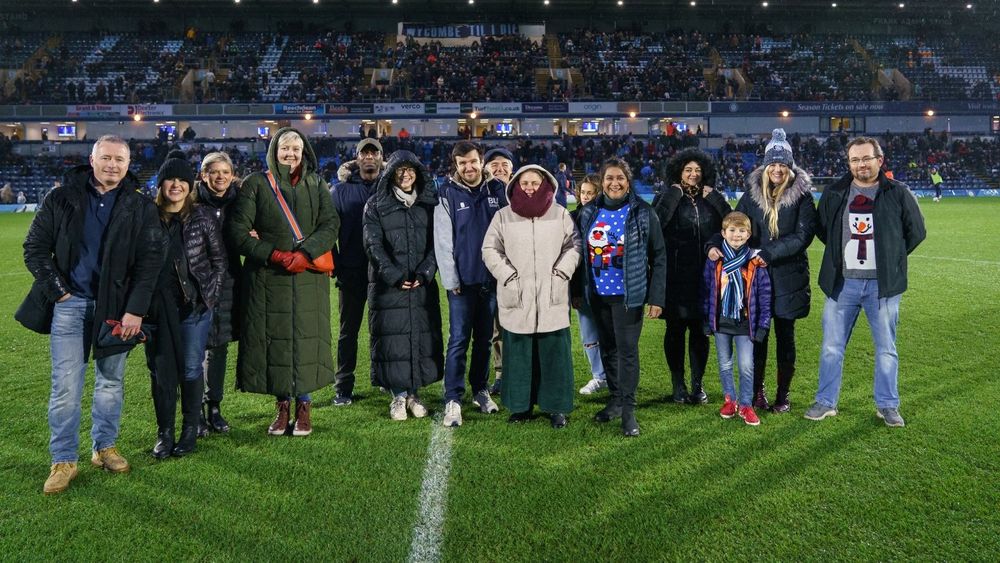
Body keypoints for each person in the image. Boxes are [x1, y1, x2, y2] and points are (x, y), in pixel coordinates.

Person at [21, 135, 165, 494]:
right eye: (106, 158)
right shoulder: (61, 197)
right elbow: (34, 248)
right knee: (66, 386)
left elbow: (150, 263)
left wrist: (135, 310)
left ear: (128, 165)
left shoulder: (140, 205)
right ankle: (63, 460)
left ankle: (104, 448)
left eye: (119, 160)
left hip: (116, 311)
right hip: (70, 306)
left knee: (111, 383)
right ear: (92, 159)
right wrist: (61, 292)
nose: (112, 165)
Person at [804, 136, 926, 427]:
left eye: (866, 158)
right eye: (855, 160)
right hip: (842, 284)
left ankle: (888, 405)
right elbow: (823, 229)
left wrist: (891, 258)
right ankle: (826, 401)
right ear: (849, 163)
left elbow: (916, 232)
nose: (861, 164)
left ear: (879, 160)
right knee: (831, 347)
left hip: (882, 287)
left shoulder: (898, 192)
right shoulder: (835, 192)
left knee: (886, 349)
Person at [226, 127, 340, 436]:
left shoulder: (316, 184)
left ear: (304, 153)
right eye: (285, 149)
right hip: (268, 278)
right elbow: (237, 231)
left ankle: (304, 407)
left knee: (306, 340)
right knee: (275, 341)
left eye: (296, 149)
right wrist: (274, 255)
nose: (290, 154)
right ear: (274, 152)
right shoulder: (256, 184)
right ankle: (282, 406)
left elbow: (330, 225)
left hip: (307, 277)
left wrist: (305, 254)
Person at [707, 129, 816, 413]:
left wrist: (769, 253)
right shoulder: (752, 196)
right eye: (773, 164)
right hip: (756, 279)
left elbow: (803, 236)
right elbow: (736, 224)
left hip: (789, 279)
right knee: (758, 337)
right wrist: (714, 243)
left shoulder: (803, 197)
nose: (778, 169)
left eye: (783, 164)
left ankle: (783, 395)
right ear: (766, 166)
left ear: (790, 167)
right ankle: (757, 392)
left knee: (786, 338)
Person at [483, 165, 581, 428]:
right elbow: (490, 249)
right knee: (518, 355)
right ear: (516, 185)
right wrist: (507, 275)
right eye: (524, 183)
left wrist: (562, 272)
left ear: (545, 183)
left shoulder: (560, 214)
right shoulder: (503, 216)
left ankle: (556, 407)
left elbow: (574, 246)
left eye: (535, 183)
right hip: (517, 295)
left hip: (552, 294)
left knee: (554, 355)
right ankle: (520, 407)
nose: (529, 187)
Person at [575, 158, 666, 437]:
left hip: (629, 296)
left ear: (628, 181)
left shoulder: (643, 212)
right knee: (608, 349)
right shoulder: (588, 212)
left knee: (627, 352)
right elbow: (578, 256)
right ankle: (615, 400)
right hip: (598, 296)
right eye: (609, 178)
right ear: (602, 182)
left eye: (620, 178)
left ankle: (628, 410)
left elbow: (659, 255)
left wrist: (656, 298)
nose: (615, 183)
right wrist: (577, 292)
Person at [145, 156, 225, 458]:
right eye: (171, 179)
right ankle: (164, 433)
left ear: (190, 185)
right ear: (161, 184)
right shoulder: (147, 216)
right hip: (156, 311)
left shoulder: (202, 216)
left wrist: (208, 298)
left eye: (182, 180)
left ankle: (190, 429)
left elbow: (219, 262)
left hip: (194, 308)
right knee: (161, 372)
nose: (176, 185)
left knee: (191, 367)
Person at [362, 150, 443, 420]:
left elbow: (438, 242)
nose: (406, 175)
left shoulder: (429, 203)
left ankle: (413, 394)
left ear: (417, 173)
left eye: (410, 170)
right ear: (391, 174)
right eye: (400, 170)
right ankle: (397, 395)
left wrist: (426, 271)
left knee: (420, 336)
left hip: (421, 284)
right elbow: (372, 245)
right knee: (392, 340)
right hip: (388, 286)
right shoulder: (375, 204)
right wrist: (394, 276)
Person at [434, 140, 508, 427]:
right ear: (456, 165)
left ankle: (480, 389)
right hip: (462, 284)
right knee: (458, 340)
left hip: (490, 280)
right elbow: (443, 240)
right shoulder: (447, 192)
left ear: (481, 162)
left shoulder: (497, 190)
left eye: (473, 161)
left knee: (484, 340)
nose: (468, 167)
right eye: (462, 163)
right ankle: (453, 397)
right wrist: (451, 278)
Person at [654, 148, 731, 405]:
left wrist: (717, 198)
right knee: (675, 330)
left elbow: (733, 225)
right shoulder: (667, 196)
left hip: (705, 277)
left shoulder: (711, 197)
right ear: (679, 172)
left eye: (697, 170)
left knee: (700, 331)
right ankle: (678, 385)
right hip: (675, 277)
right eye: (688, 169)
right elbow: (656, 224)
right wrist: (672, 195)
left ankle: (698, 385)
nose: (693, 174)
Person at [703, 211, 772, 426]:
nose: (737, 235)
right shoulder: (715, 260)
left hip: (745, 323)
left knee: (746, 366)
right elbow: (706, 291)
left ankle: (746, 405)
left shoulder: (755, 261)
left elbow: (765, 296)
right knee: (724, 364)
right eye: (732, 230)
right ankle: (730, 400)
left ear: (749, 234)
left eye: (742, 231)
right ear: (723, 233)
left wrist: (763, 326)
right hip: (721, 322)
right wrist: (706, 320)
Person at [330, 138, 384, 406]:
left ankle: (384, 379)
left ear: (382, 158)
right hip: (351, 271)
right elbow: (327, 229)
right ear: (357, 158)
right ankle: (343, 386)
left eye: (374, 152)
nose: (369, 156)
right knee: (348, 331)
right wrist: (336, 263)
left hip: (384, 272)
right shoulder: (340, 191)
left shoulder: (391, 187)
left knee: (385, 329)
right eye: (365, 152)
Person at [196, 151, 243, 434]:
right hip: (197, 283)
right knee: (195, 348)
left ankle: (214, 406)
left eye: (225, 172)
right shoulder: (191, 201)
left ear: (232, 175)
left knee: (219, 347)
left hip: (228, 282)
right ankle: (195, 412)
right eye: (214, 172)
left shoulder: (240, 202)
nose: (220, 177)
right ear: (204, 175)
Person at [482, 146, 516, 394]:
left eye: (505, 164)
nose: (500, 169)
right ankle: (502, 374)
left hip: (521, 271)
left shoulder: (523, 191)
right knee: (496, 327)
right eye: (494, 165)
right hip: (492, 272)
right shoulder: (481, 193)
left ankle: (525, 372)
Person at [572, 174, 608, 395]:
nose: (585, 197)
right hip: (583, 284)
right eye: (583, 192)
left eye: (591, 193)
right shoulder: (572, 218)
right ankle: (599, 376)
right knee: (588, 332)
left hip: (607, 285)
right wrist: (574, 291)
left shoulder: (610, 217)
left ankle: (614, 375)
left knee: (610, 332)